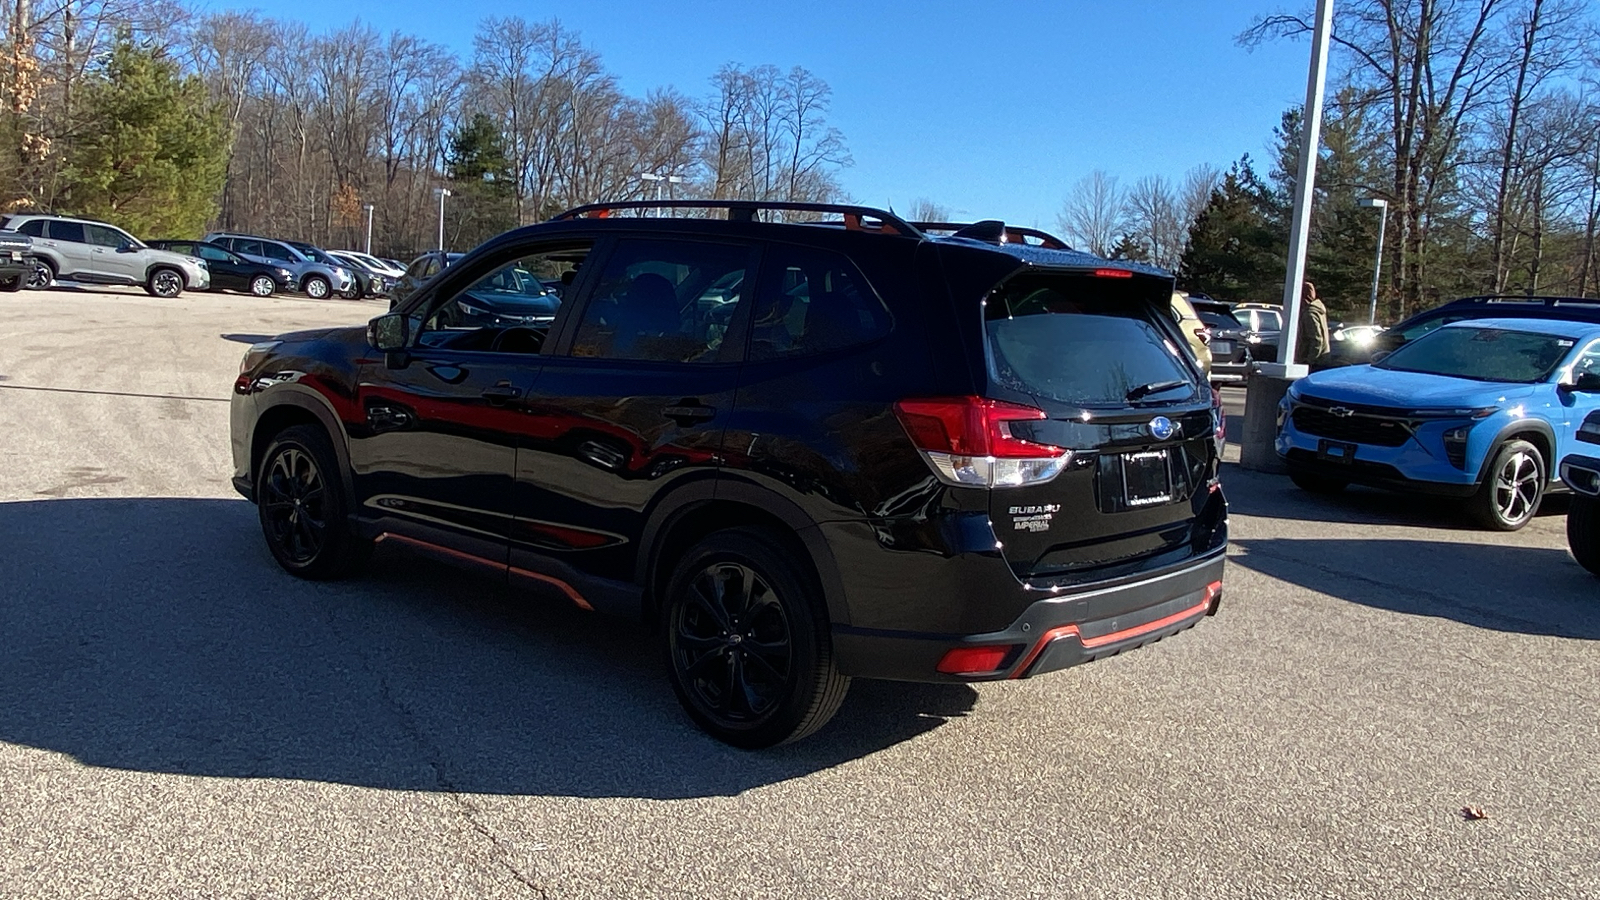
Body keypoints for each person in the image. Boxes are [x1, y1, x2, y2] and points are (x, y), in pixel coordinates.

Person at [1297, 280, 1330, 364]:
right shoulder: (1318, 310)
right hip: (1321, 358)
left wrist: (1309, 360)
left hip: (1313, 361)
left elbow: (1317, 339)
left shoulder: (1310, 313)